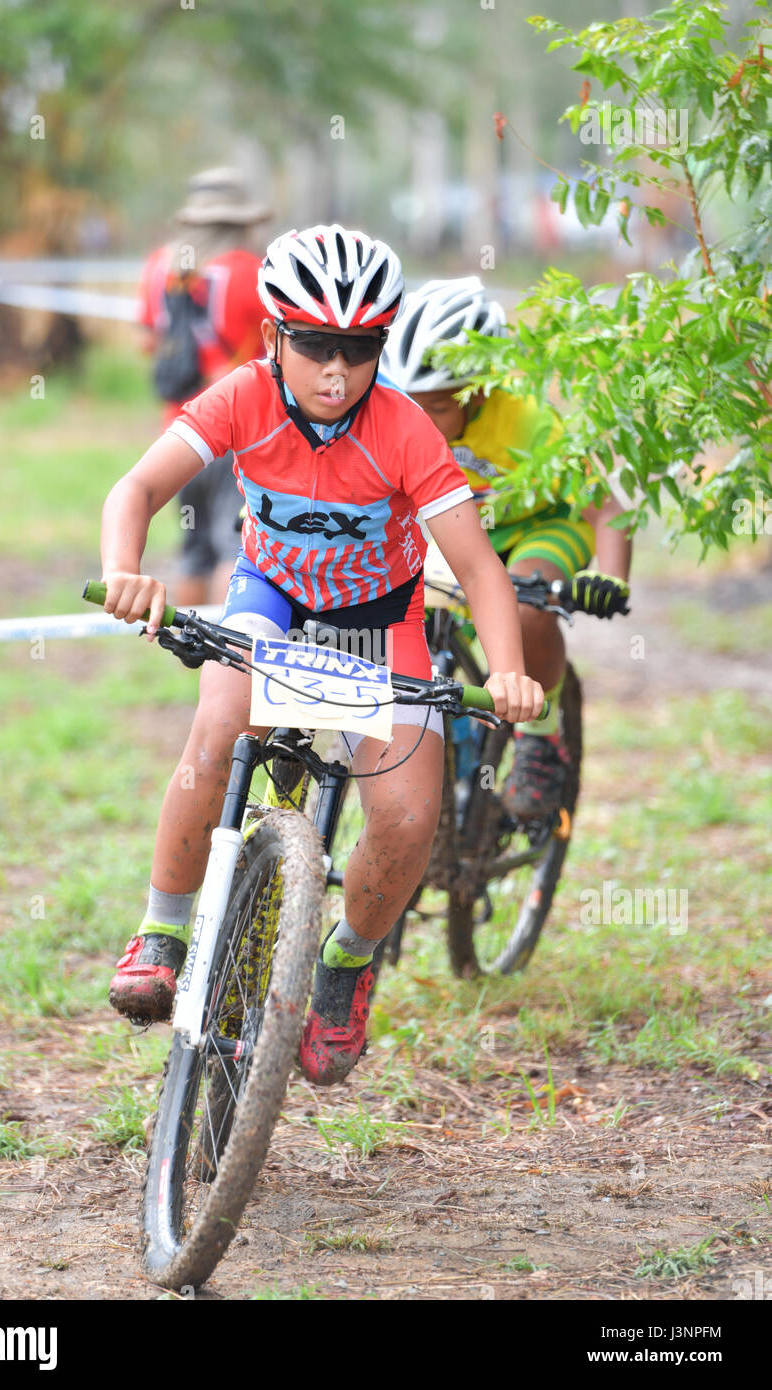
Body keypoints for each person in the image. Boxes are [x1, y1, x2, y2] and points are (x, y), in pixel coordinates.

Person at [100, 226, 544, 1086]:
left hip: (380, 621)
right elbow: (138, 489)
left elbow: (482, 567)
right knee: (221, 728)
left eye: (359, 348)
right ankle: (161, 930)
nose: (337, 372)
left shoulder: (407, 429)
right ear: (273, 339)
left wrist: (508, 667)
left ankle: (347, 963)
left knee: (409, 814)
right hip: (272, 598)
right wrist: (127, 571)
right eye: (314, 347)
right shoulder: (241, 397)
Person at [382, 276, 631, 822]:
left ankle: (541, 739)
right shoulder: (395, 418)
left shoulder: (530, 423)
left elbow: (607, 508)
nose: (421, 421)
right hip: (459, 532)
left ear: (481, 389)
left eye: (440, 407)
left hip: (540, 528)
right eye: (410, 404)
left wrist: (611, 580)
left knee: (524, 607)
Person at [136, 168, 272, 607]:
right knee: (234, 545)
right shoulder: (252, 271)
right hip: (236, 427)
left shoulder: (160, 266)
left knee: (193, 545)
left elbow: (146, 342)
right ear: (241, 221)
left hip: (176, 431)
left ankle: (188, 650)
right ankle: (225, 655)